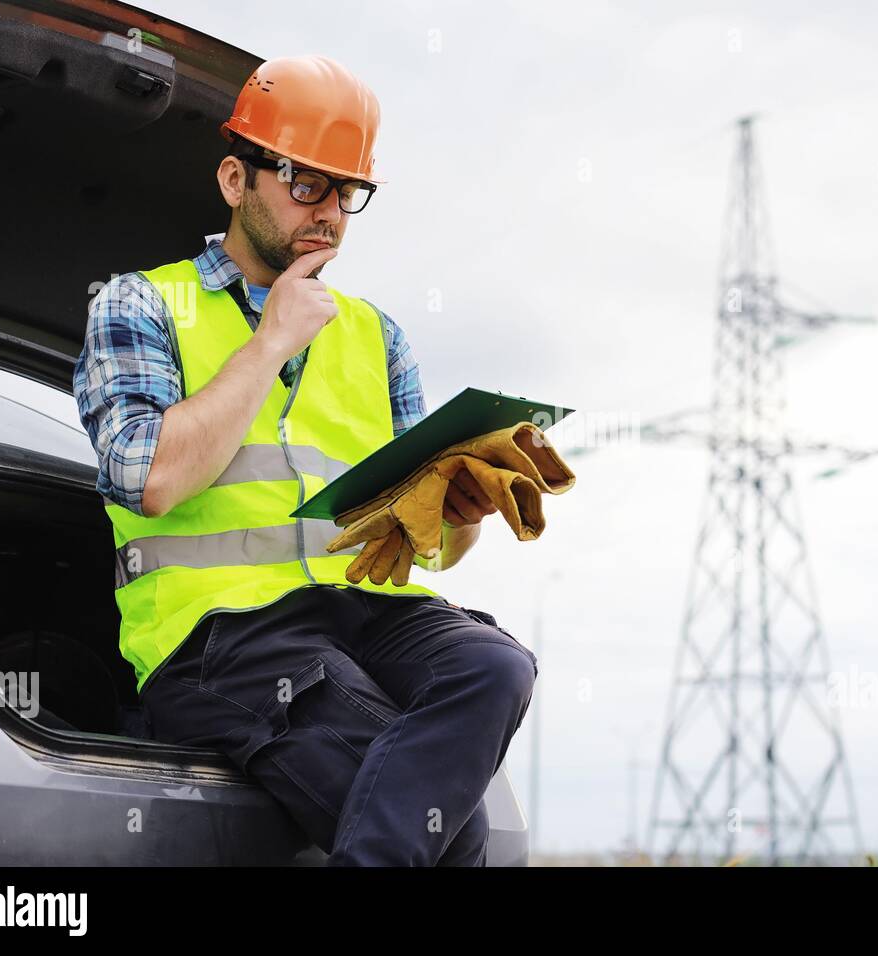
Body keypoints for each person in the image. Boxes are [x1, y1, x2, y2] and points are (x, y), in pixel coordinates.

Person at [73, 55, 537, 866]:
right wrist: (271, 339)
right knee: (452, 836)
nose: (327, 211)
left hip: (356, 614)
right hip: (216, 636)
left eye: (346, 191)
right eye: (303, 182)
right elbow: (151, 479)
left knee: (495, 665)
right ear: (234, 179)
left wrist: (461, 513)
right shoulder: (140, 302)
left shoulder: (376, 335)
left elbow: (424, 545)